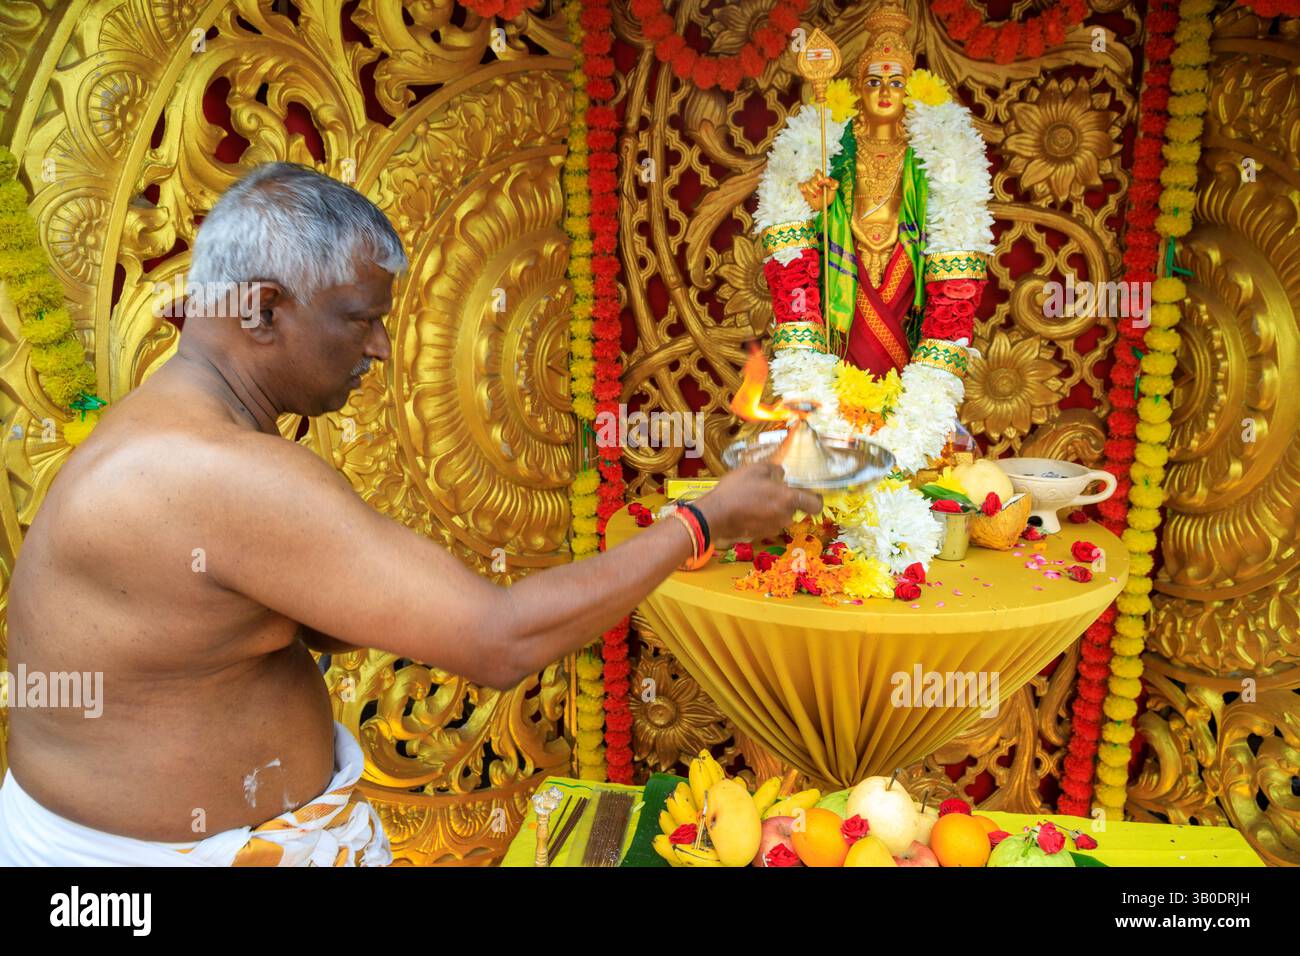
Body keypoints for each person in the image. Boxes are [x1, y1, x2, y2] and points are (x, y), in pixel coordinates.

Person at [0, 162, 820, 866]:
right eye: (360, 318)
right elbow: (500, 643)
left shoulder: (171, 427)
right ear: (259, 309)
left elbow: (303, 620)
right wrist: (704, 522)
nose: (382, 348)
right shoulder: (219, 473)